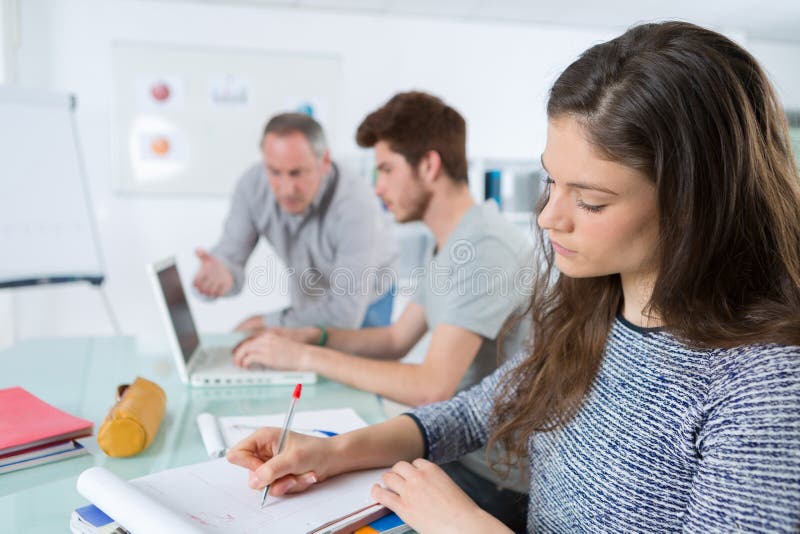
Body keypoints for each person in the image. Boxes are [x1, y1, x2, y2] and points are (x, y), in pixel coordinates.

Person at [227, 22, 800, 533]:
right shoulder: (593, 304)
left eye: (592, 201)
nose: (549, 217)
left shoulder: (764, 389)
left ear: (693, 204)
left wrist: (465, 526)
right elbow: (478, 409)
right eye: (551, 183)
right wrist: (336, 452)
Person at [232, 92, 534, 528]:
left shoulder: (483, 249)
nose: (377, 186)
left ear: (429, 166)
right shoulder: (455, 240)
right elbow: (396, 339)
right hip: (457, 454)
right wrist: (312, 336)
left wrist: (303, 358)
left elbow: (432, 387)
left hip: (493, 480)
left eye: (388, 169)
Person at [193, 113, 398, 330]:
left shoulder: (356, 203)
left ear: (325, 162)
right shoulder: (252, 187)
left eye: (297, 173)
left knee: (359, 360)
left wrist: (264, 323)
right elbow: (230, 255)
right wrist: (220, 274)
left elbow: (345, 315)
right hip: (308, 295)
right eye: (274, 172)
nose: (287, 189)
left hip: (367, 297)